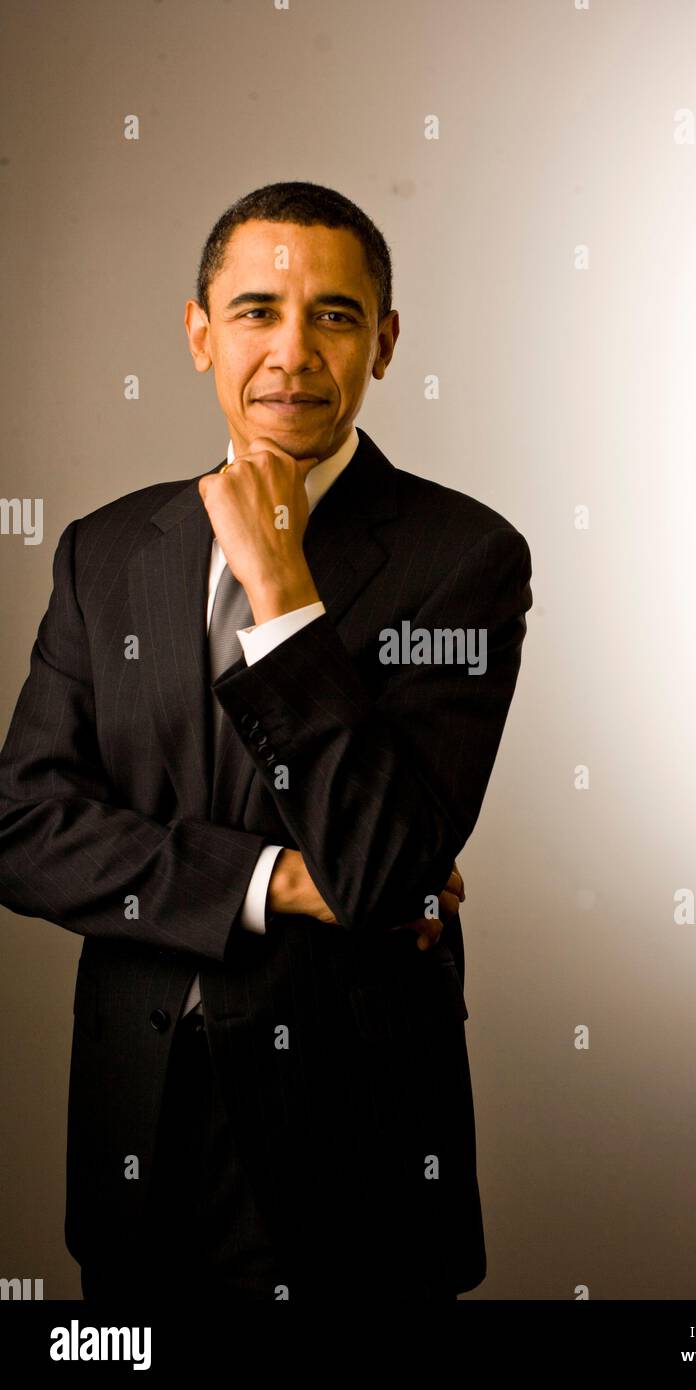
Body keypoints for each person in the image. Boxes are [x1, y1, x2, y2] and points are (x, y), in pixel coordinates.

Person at [0, 181, 533, 1301]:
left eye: (333, 316)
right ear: (199, 333)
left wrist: (284, 593)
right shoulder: (105, 552)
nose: (292, 352)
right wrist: (273, 879)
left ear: (382, 344)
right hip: (138, 1121)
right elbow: (23, 824)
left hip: (357, 1145)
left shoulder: (466, 558)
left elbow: (387, 871)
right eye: (255, 311)